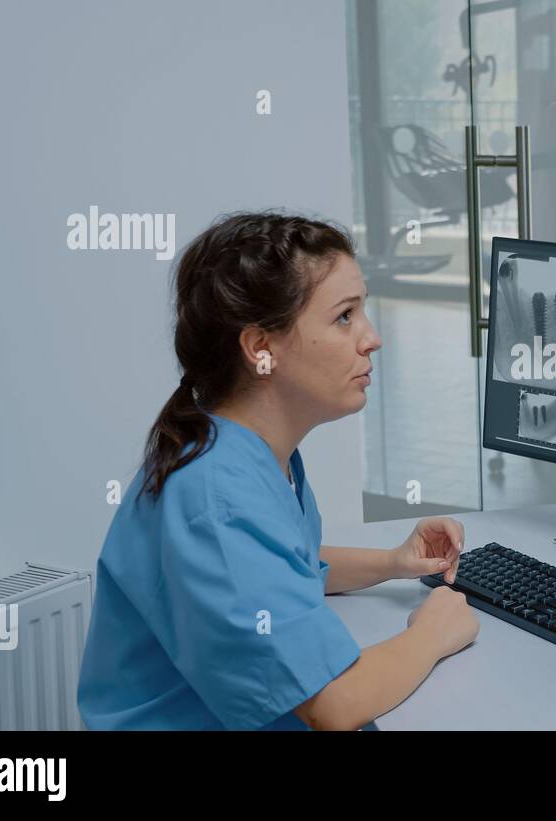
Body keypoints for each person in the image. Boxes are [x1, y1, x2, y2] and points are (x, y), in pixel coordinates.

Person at [77, 212, 480, 730]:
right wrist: (433, 633)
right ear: (261, 349)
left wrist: (392, 562)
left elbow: (280, 566)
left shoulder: (240, 450)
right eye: (344, 317)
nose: (371, 338)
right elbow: (335, 703)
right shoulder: (216, 498)